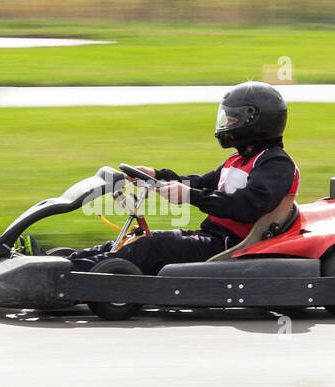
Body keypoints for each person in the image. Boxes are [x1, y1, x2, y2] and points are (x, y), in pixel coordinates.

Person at [70, 82, 299, 274]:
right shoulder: (239, 159)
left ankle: (71, 279)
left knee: (151, 247)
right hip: (210, 236)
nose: (226, 124)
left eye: (232, 119)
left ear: (253, 121)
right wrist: (157, 175)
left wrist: (191, 196)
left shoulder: (275, 164)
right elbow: (200, 182)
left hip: (231, 245)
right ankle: (67, 263)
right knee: (135, 239)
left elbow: (247, 206)